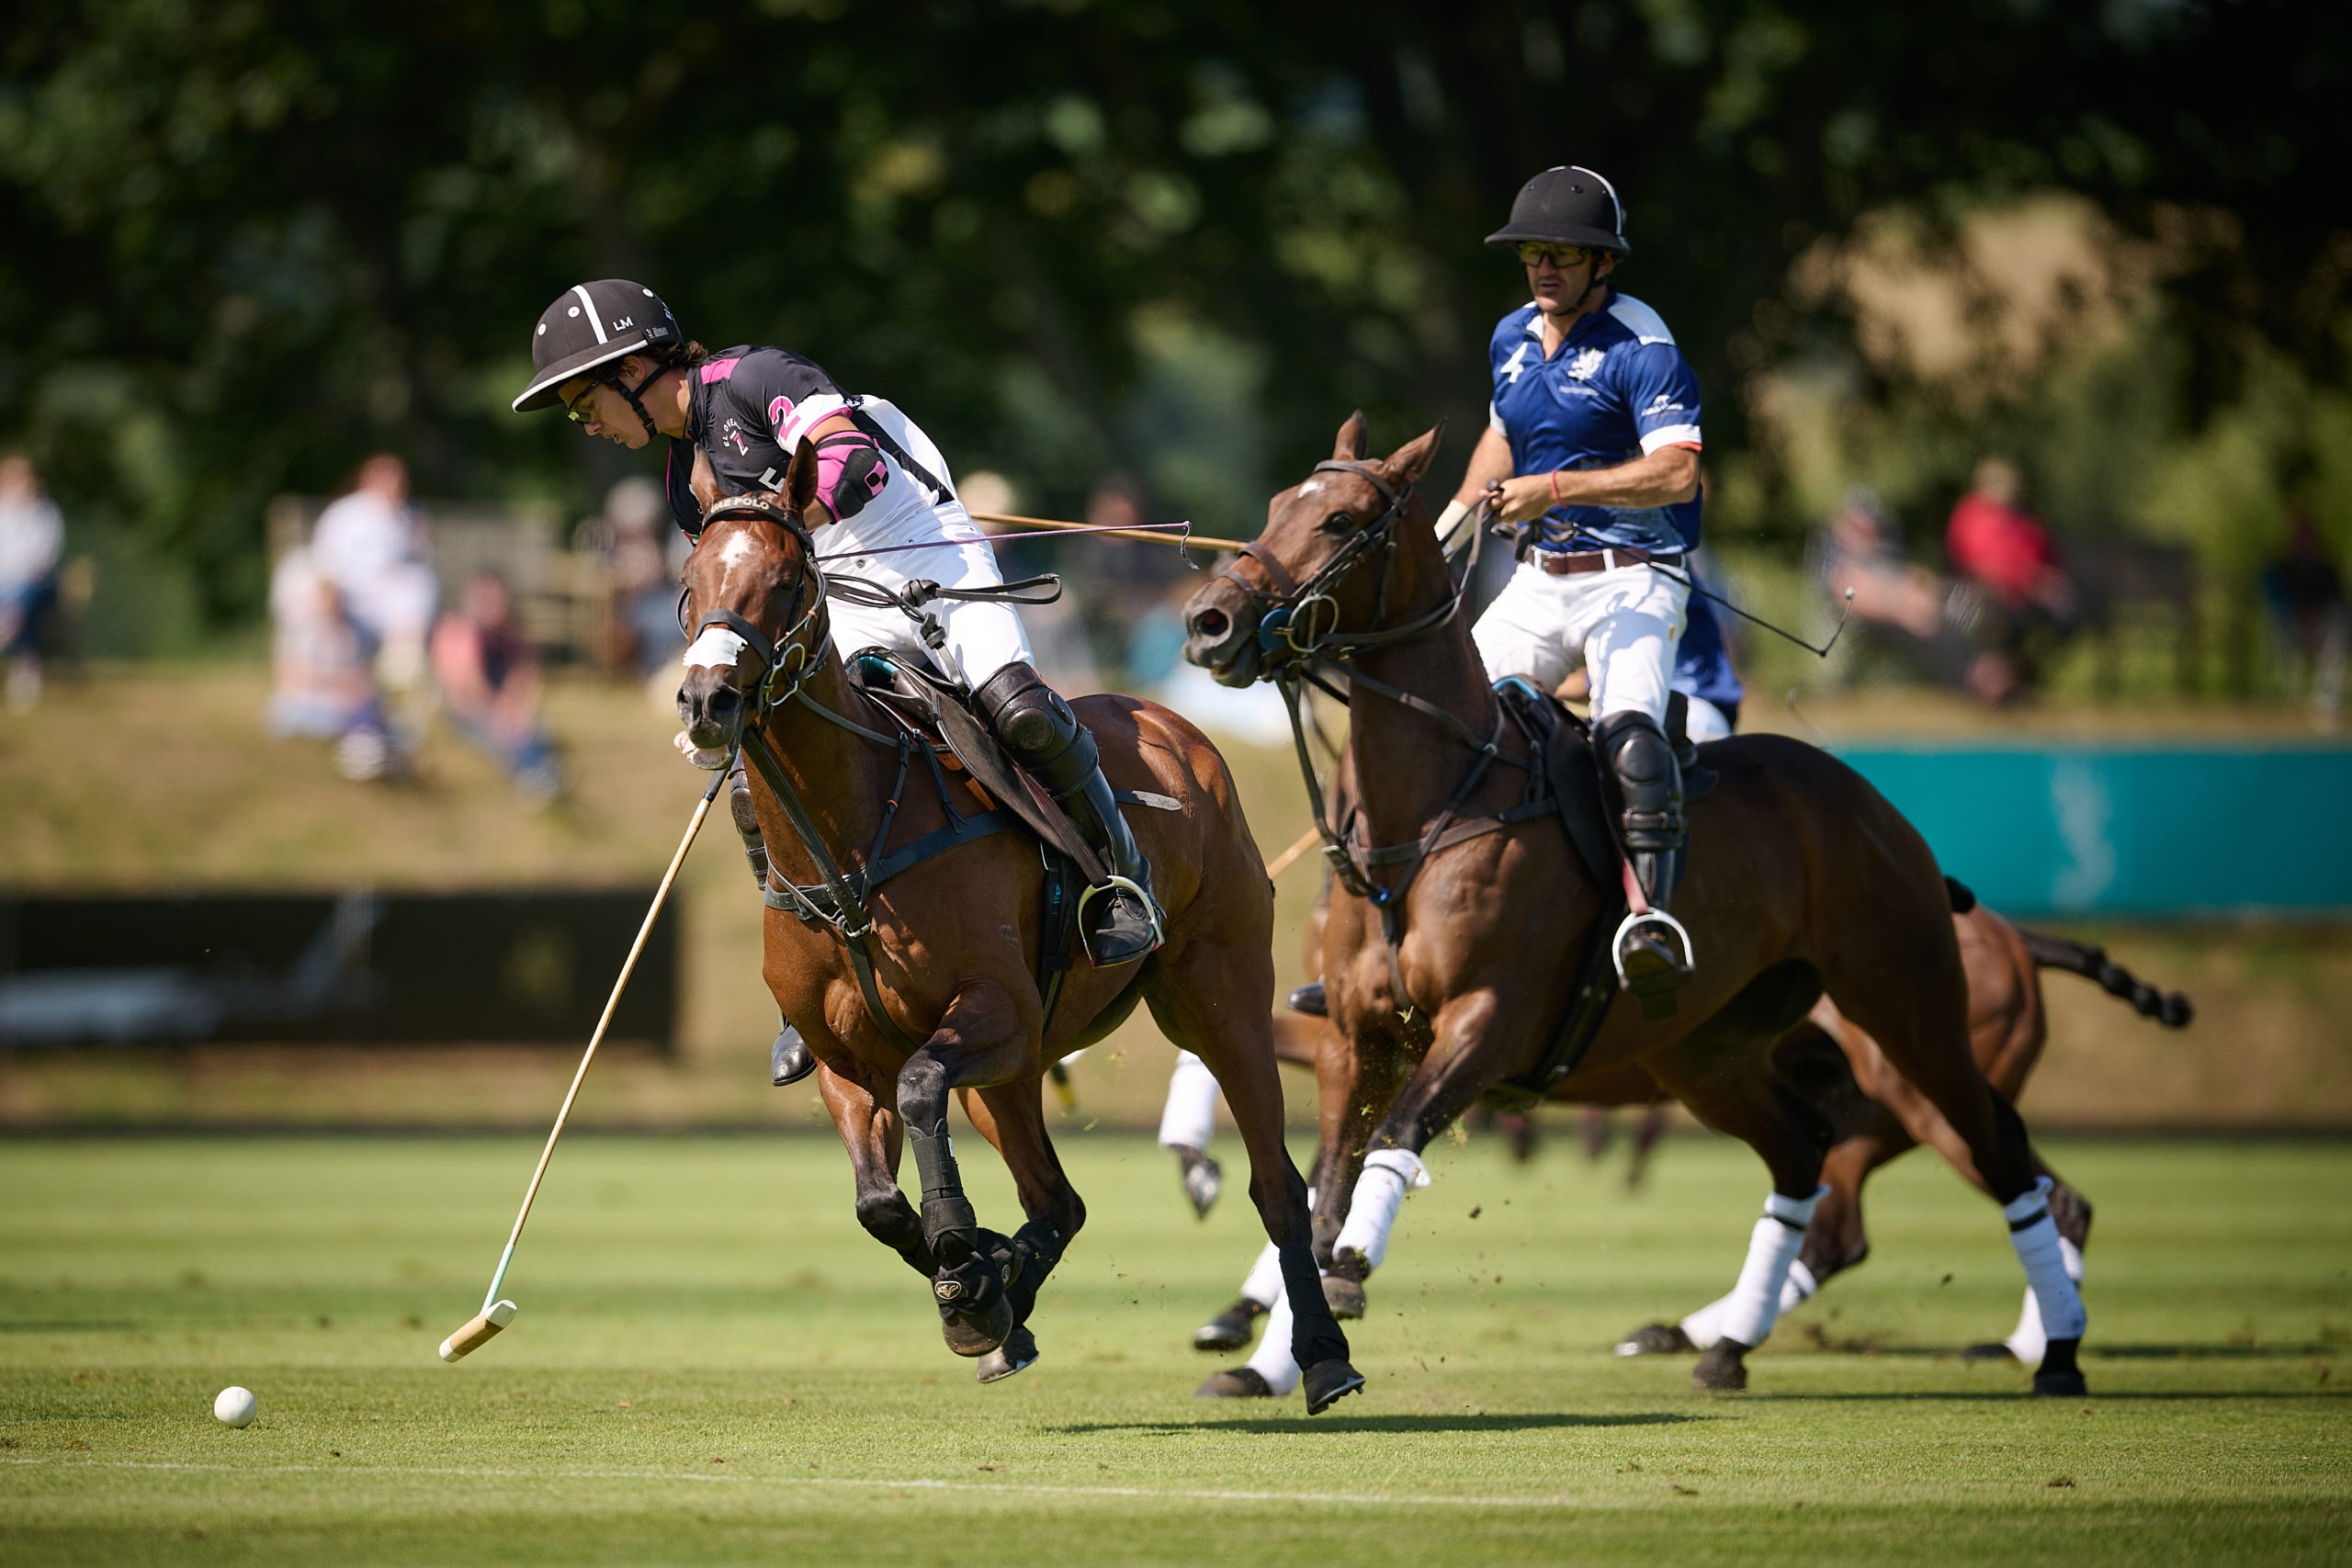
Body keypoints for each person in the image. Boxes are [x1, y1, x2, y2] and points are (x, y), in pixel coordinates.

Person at [512, 280, 1162, 1087]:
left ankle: (1119, 883)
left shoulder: (753, 379)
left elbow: (851, 461)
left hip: (922, 549)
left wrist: (782, 532)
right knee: (777, 767)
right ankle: (812, 990)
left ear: (636, 366)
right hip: (828, 589)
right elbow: (726, 582)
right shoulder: (685, 481)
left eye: (585, 404)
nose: (590, 427)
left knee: (1019, 709)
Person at [1442, 165, 1705, 1002]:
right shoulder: (1512, 336)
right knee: (1445, 722)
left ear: (1604, 263)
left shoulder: (1644, 345)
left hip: (1634, 580)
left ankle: (1649, 917)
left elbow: (1675, 475)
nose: (1544, 269)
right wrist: (1450, 527)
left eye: (1563, 253)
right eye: (1531, 254)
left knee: (1626, 735)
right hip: (1537, 577)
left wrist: (1553, 490)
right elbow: (1501, 439)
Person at [310, 455, 438, 694]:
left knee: (419, 588)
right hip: (349, 599)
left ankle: (400, 678)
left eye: (398, 478)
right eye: (387, 477)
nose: (395, 485)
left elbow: (419, 563)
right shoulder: (344, 515)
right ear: (367, 479)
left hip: (390, 607)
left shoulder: (408, 518)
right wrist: (331, 598)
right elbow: (324, 565)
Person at [431, 572, 562, 802]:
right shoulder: (456, 631)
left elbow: (525, 676)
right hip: (467, 710)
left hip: (501, 709)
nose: (491, 605)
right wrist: (499, 713)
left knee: (534, 725)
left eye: (496, 599)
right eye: (484, 599)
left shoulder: (510, 637)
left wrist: (515, 706)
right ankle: (534, 775)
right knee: (502, 734)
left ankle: (542, 774)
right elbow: (465, 688)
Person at [0, 454, 63, 713]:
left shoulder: (46, 515)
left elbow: (42, 561)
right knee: (16, 603)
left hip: (36, 586)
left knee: (22, 596)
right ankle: (25, 663)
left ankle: (8, 629)